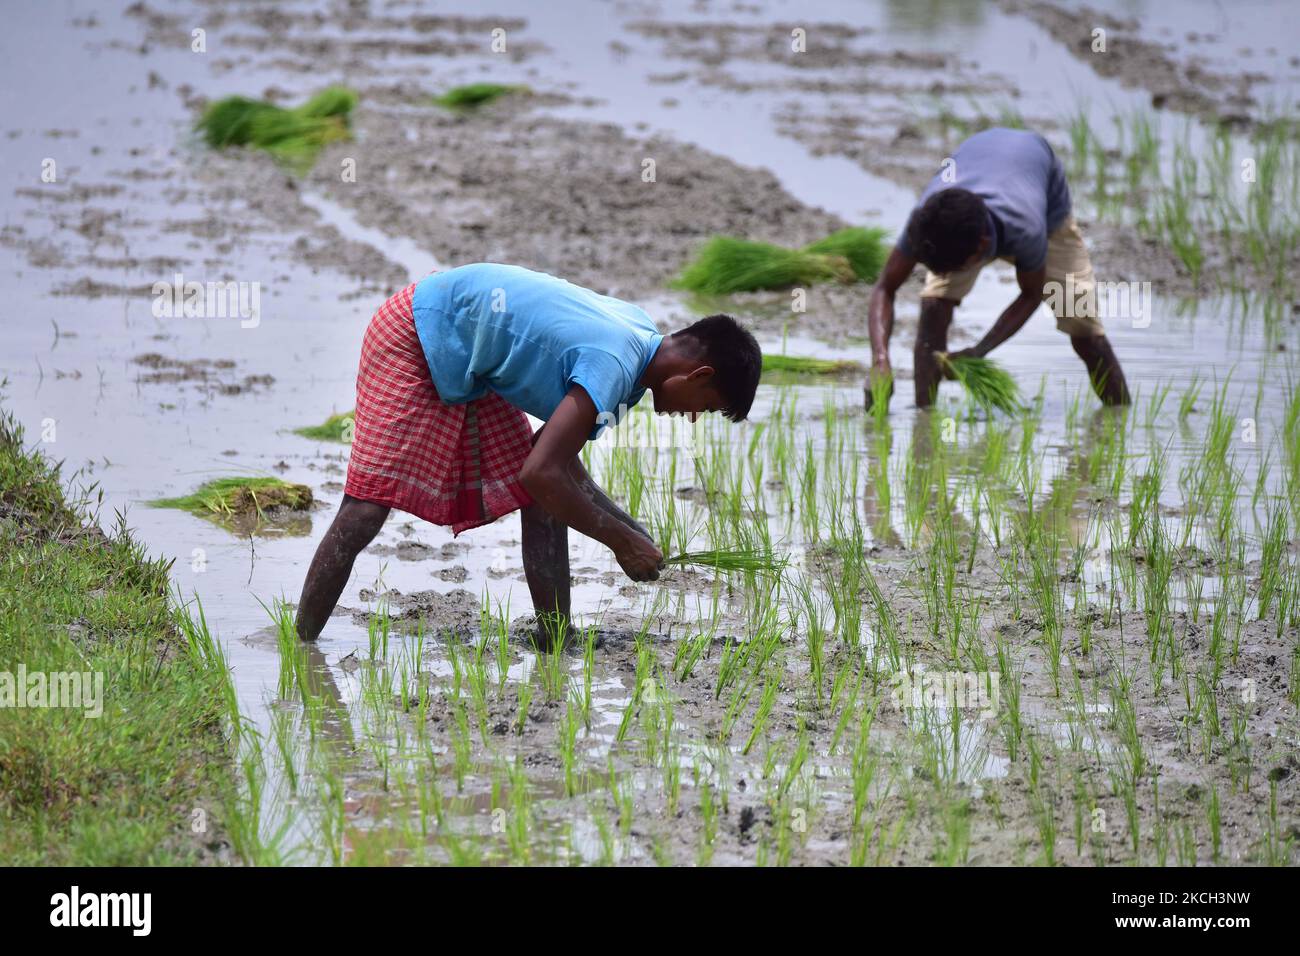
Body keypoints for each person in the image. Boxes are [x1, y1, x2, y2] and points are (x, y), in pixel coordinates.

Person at [294, 263, 762, 647]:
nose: (695, 416)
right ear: (699, 375)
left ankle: (554, 640)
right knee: (367, 505)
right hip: (417, 332)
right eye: (708, 406)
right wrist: (620, 541)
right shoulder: (616, 364)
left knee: (545, 498)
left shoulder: (639, 344)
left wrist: (629, 529)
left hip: (468, 352)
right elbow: (541, 472)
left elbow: (554, 465)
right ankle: (300, 647)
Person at [867, 127, 1130, 409]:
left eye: (953, 269)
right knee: (934, 306)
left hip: (1044, 207)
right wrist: (880, 359)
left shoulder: (1028, 229)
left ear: (981, 248)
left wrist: (979, 351)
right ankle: (924, 419)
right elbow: (885, 287)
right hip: (982, 170)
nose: (946, 275)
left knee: (1084, 330)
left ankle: (1119, 415)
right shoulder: (929, 222)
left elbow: (1032, 294)